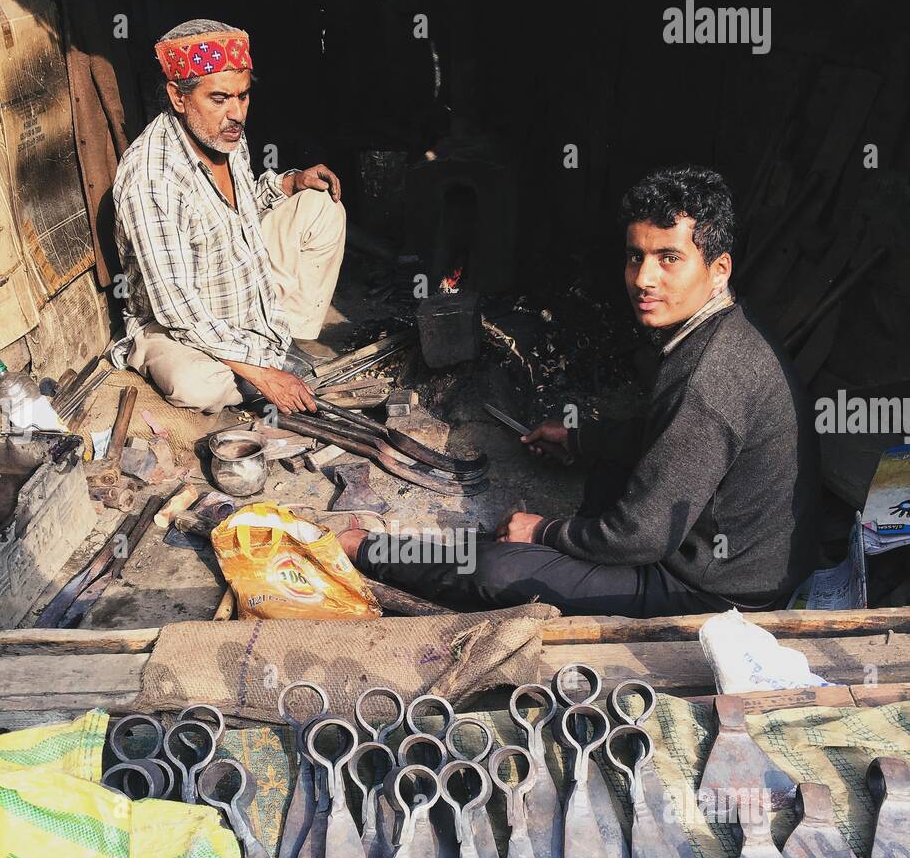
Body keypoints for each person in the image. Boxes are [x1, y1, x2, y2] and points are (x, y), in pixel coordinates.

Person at [340, 165, 820, 616]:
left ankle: (367, 549)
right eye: (636, 256)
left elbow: (643, 537)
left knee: (496, 569)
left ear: (719, 269)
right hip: (726, 548)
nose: (644, 279)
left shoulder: (710, 377)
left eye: (669, 259)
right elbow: (670, 438)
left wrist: (544, 531)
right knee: (608, 473)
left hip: (717, 590)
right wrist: (583, 439)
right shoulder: (722, 329)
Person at [113, 19, 346, 415]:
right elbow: (177, 308)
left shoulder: (223, 132)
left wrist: (290, 183)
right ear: (178, 97)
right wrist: (263, 374)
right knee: (200, 387)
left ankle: (281, 343)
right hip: (176, 322)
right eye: (219, 99)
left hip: (232, 285)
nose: (236, 113)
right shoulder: (151, 178)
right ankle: (258, 367)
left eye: (243, 96)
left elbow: (237, 205)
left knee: (321, 207)